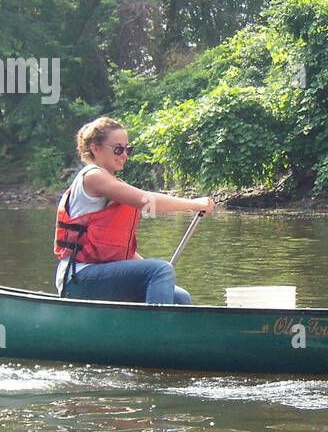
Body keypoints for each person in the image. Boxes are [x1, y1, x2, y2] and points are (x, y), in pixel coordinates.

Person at [54, 117, 215, 304]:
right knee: (160, 269)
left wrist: (155, 277)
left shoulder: (112, 183)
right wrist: (194, 204)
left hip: (99, 275)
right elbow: (148, 203)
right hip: (78, 278)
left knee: (178, 296)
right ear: (95, 148)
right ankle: (155, 332)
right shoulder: (93, 177)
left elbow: (120, 251)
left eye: (127, 149)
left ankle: (174, 331)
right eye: (118, 149)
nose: (124, 155)